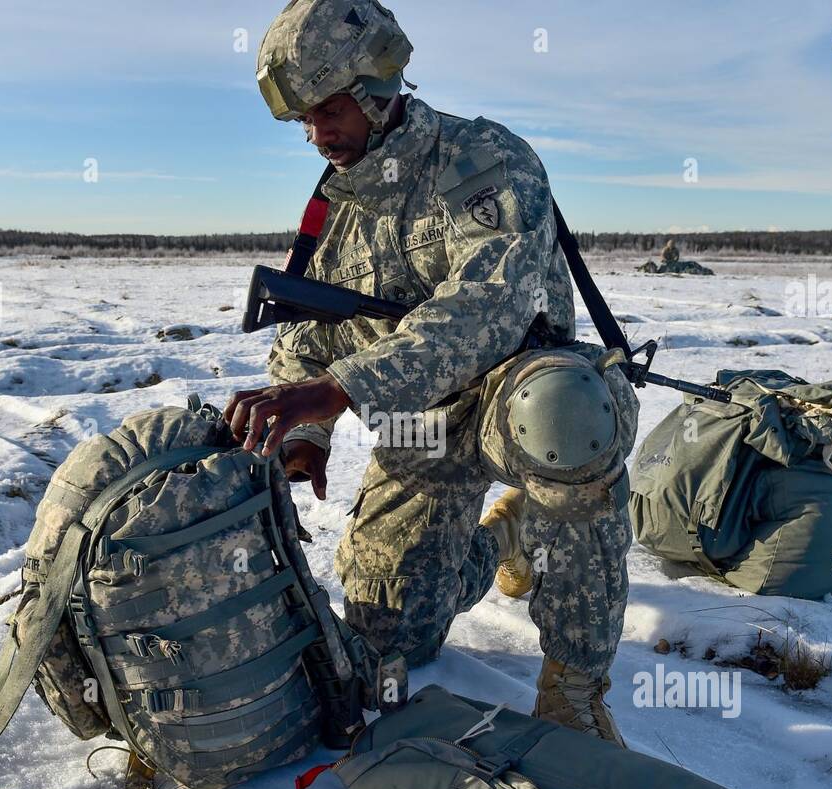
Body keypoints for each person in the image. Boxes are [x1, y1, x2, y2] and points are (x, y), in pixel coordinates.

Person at [225, 0, 639, 744]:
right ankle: (508, 540)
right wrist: (309, 432)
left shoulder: (482, 161)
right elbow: (305, 337)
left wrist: (342, 389)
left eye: (330, 108)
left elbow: (488, 305)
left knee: (565, 413)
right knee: (397, 637)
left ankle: (574, 691)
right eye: (305, 120)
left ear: (379, 81)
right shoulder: (334, 214)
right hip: (421, 426)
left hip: (515, 394)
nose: (318, 133)